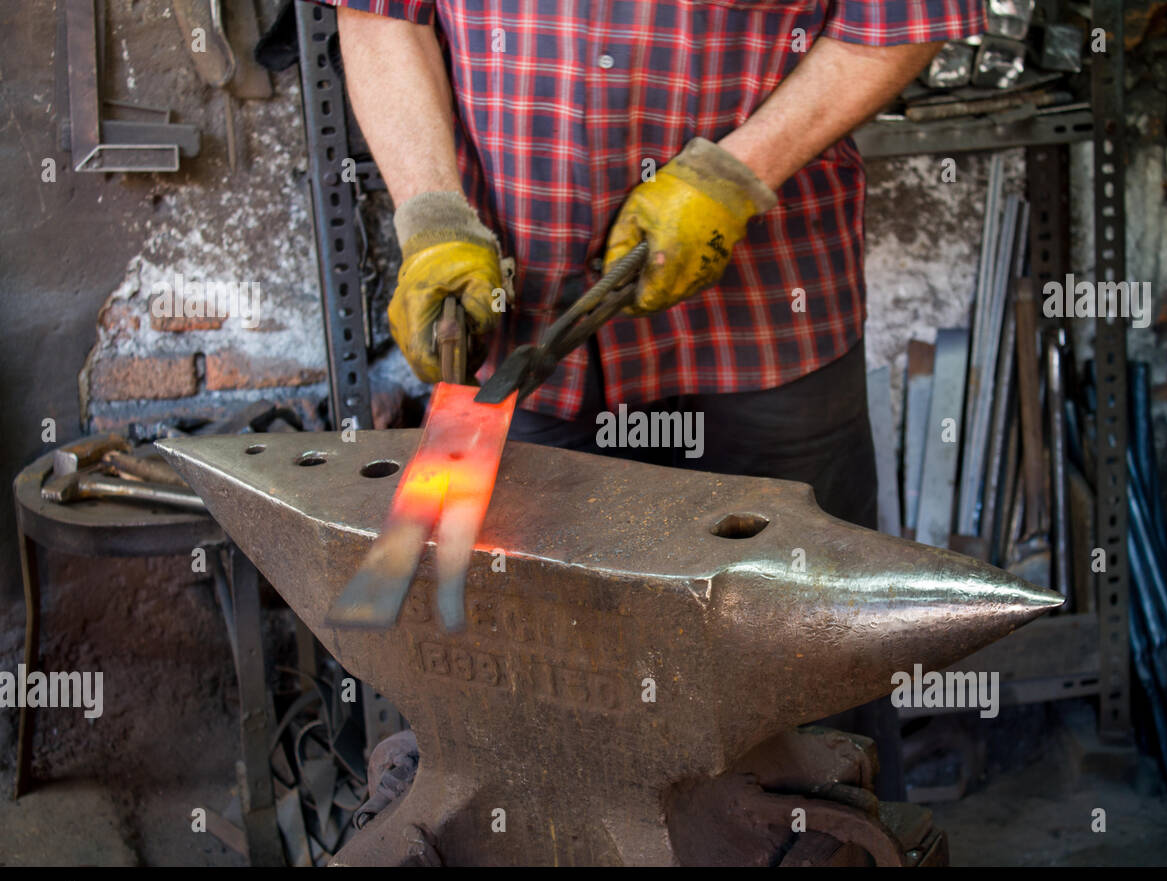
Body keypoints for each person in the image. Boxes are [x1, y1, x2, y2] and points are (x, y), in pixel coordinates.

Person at [328, 0, 986, 798]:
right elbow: (380, 16)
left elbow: (905, 18)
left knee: (811, 686)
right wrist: (431, 208)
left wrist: (738, 172)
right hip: (513, 332)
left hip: (769, 328)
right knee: (532, 697)